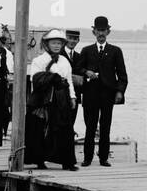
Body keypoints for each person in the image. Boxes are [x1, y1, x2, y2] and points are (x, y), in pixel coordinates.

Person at [73, 15, 129, 166]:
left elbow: (122, 75)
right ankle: (87, 159)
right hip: (90, 95)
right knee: (90, 127)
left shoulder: (116, 51)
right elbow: (77, 68)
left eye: (103, 30)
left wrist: (119, 92)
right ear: (94, 32)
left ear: (108, 31)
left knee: (105, 127)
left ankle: (103, 158)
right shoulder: (86, 50)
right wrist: (86, 72)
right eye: (98, 30)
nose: (101, 33)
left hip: (107, 95)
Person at [25, 29, 78, 170]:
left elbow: (69, 81)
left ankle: (67, 162)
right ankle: (40, 160)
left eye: (59, 43)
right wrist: (52, 78)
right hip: (44, 100)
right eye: (53, 43)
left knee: (65, 130)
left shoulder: (65, 61)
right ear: (47, 44)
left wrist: (73, 97)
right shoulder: (38, 60)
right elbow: (35, 80)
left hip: (61, 99)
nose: (56, 46)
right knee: (41, 131)